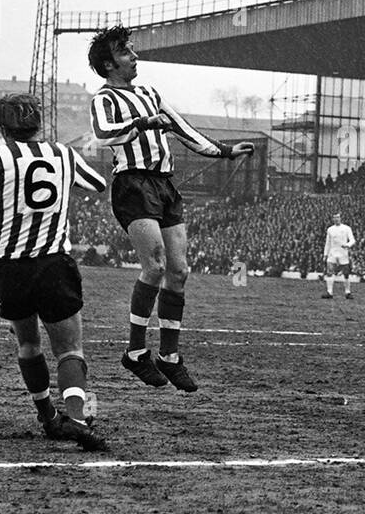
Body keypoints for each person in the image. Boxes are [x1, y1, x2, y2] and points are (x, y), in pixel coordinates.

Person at [88, 25, 254, 392]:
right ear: (108, 63)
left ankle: (169, 357)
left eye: (133, 50)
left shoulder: (149, 92)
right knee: (156, 264)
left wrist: (225, 151)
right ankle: (134, 352)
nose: (135, 57)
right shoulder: (104, 99)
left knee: (179, 271)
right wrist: (144, 122)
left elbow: (181, 128)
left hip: (164, 185)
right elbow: (104, 134)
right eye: (126, 52)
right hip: (132, 184)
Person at [0, 93, 108, 451]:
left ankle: (48, 417)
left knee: (28, 344)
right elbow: (99, 185)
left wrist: (2, 214)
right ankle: (76, 420)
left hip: (10, 267)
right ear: (38, 123)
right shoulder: (64, 154)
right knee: (70, 349)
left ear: (3, 128)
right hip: (54, 264)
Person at [322, 211, 356, 299]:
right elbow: (328, 243)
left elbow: (352, 240)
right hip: (332, 254)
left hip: (343, 254)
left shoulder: (347, 228)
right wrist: (325, 254)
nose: (336, 219)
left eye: (338, 217)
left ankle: (347, 292)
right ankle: (329, 292)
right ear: (332, 219)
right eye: (334, 217)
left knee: (346, 274)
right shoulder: (330, 229)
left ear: (340, 218)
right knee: (329, 272)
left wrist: (347, 245)